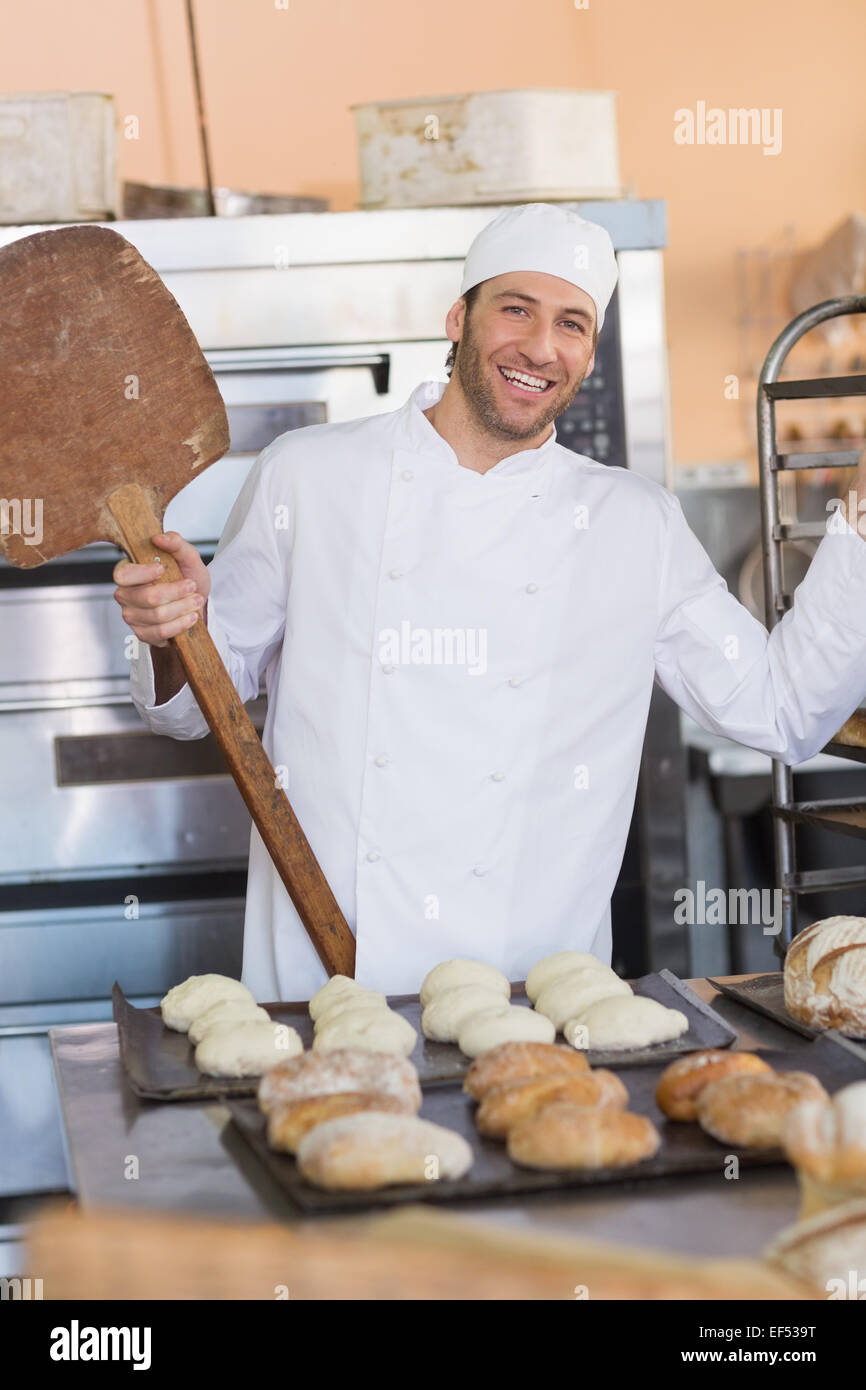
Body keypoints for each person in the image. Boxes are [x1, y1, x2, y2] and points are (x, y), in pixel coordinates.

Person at [114, 202, 866, 1001]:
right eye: (516, 310)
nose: (541, 347)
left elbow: (781, 711)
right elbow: (193, 710)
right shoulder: (310, 476)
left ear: (589, 352)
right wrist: (172, 633)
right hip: (322, 994)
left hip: (530, 1003)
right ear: (458, 317)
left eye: (572, 324)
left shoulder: (634, 522)